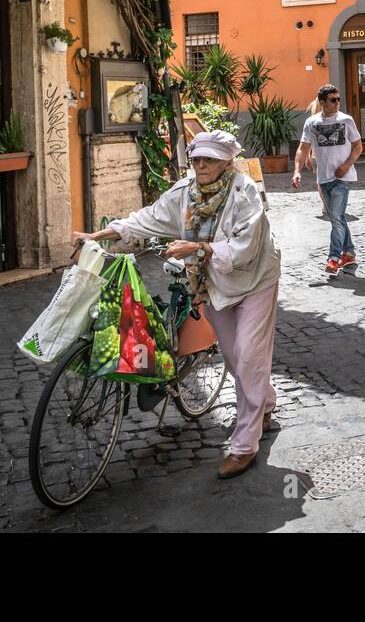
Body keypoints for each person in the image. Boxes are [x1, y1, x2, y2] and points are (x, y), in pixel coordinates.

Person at [73, 130, 281, 479]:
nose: (201, 165)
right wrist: (98, 236)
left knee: (247, 355)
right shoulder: (184, 193)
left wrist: (196, 249)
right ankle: (266, 402)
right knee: (235, 356)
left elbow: (245, 248)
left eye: (210, 159)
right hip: (212, 284)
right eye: (197, 158)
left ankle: (245, 446)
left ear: (226, 161)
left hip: (256, 280)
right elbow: (146, 219)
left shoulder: (244, 193)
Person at [294, 84, 362, 273]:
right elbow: (302, 148)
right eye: (333, 100)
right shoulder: (312, 123)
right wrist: (297, 171)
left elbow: (358, 146)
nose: (338, 102)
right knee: (337, 217)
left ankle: (334, 258)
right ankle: (349, 253)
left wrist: (347, 165)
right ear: (322, 102)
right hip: (323, 178)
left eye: (339, 99)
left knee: (336, 217)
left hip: (343, 177)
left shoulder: (346, 120)